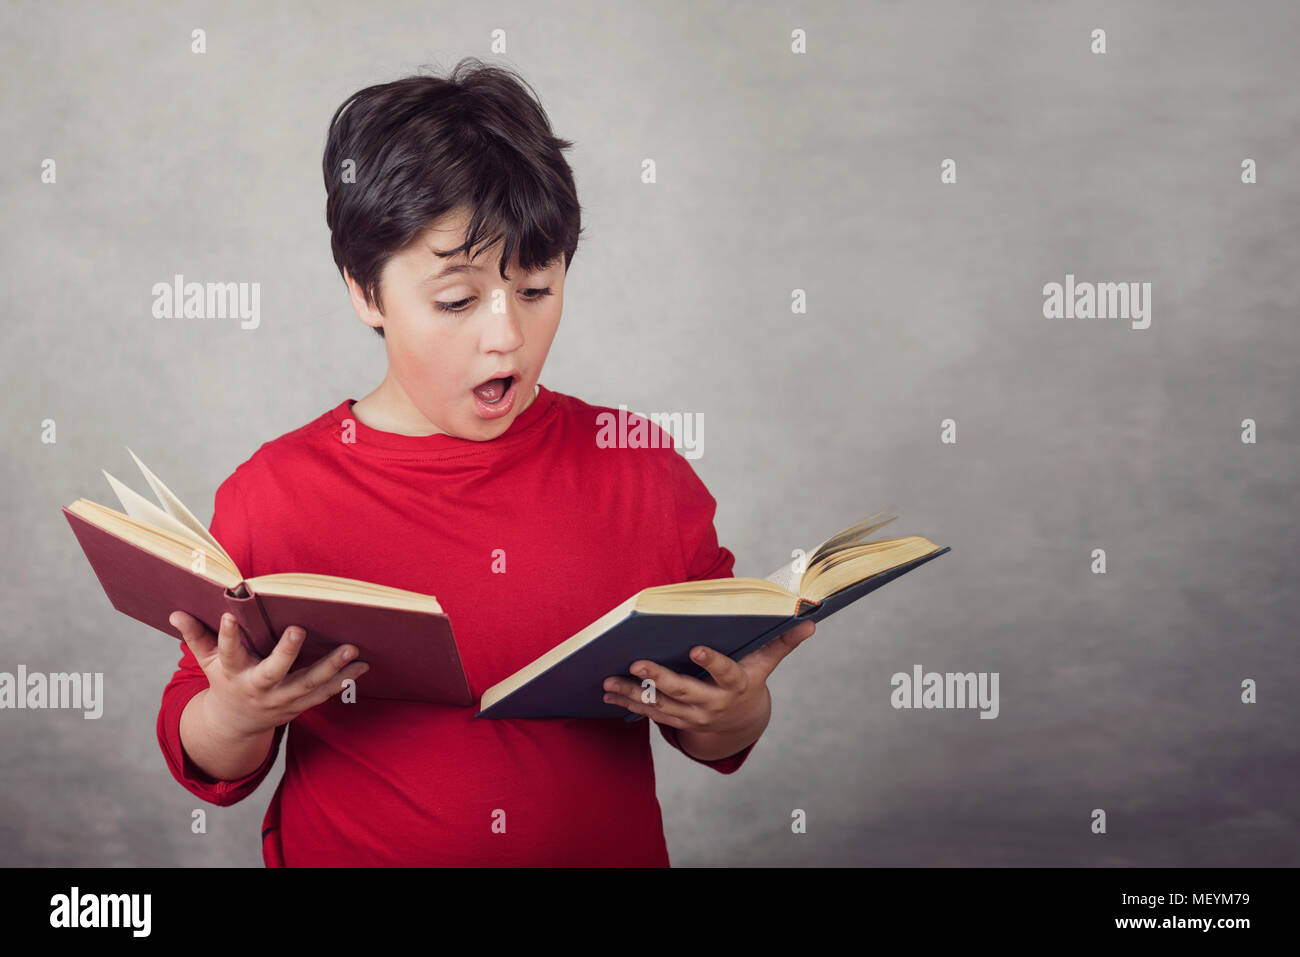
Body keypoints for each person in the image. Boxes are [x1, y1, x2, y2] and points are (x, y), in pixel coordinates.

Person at [158, 58, 815, 866]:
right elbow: (208, 752)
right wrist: (237, 712)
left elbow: (718, 730)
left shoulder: (639, 469)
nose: (504, 335)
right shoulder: (275, 494)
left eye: (535, 289)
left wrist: (734, 713)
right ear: (366, 292)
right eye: (457, 301)